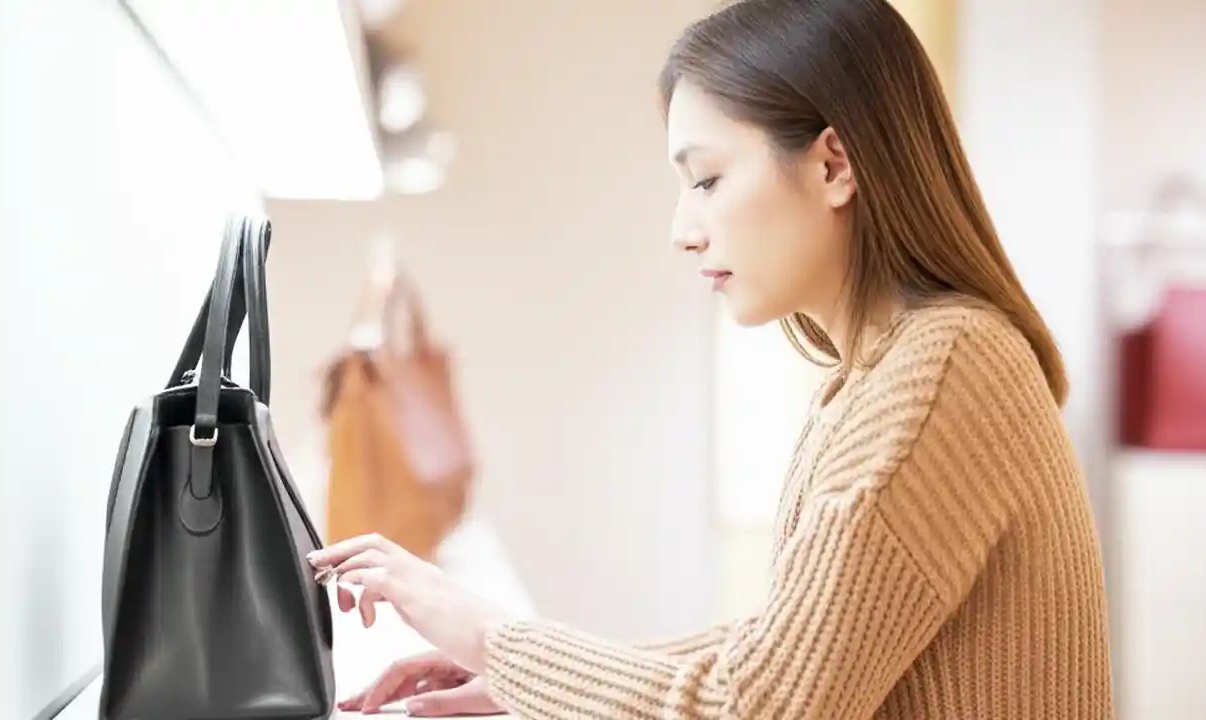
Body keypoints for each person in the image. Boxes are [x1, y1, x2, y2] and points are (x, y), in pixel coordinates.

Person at [306, 0, 1115, 717]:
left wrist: (491, 634)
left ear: (835, 165)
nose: (682, 229)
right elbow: (793, 648)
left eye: (707, 180)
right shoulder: (885, 371)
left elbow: (758, 707)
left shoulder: (940, 373)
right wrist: (524, 671)